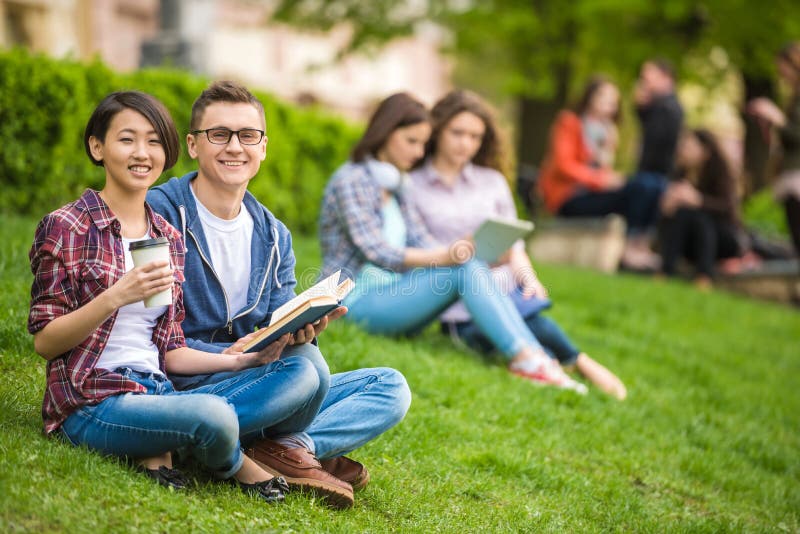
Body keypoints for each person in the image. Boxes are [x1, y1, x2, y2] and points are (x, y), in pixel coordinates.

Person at [147, 81, 411, 509]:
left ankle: (287, 448)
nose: (235, 146)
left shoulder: (273, 234)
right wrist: (235, 358)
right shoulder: (161, 212)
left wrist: (299, 330)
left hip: (252, 376)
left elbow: (273, 323)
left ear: (263, 147)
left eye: (248, 135)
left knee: (389, 386)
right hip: (186, 381)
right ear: (194, 145)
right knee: (306, 372)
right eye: (220, 134)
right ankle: (261, 445)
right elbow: (154, 335)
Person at [28, 91, 291, 504]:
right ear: (97, 147)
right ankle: (233, 464)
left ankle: (161, 448)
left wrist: (241, 360)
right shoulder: (67, 227)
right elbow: (45, 342)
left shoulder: (165, 237)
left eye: (153, 142)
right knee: (214, 414)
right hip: (92, 400)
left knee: (288, 373)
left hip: (156, 390)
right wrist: (115, 296)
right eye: (126, 139)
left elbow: (169, 351)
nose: (142, 153)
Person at [319, 92, 586, 393]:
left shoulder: (397, 184)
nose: (420, 152)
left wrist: (464, 251)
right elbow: (377, 251)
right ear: (385, 133)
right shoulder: (351, 180)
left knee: (467, 264)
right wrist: (449, 255)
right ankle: (529, 359)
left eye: (423, 143)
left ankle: (533, 357)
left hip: (396, 295)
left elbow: (423, 240)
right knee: (461, 265)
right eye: (412, 141)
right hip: (351, 303)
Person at [408, 89, 626, 399]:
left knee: (531, 316)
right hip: (452, 297)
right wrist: (458, 254)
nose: (465, 144)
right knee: (519, 325)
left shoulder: (491, 182)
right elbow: (413, 250)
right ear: (438, 130)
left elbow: (514, 243)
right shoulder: (413, 185)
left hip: (503, 286)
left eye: (475, 136)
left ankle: (564, 363)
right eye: (457, 133)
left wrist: (529, 279)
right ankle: (572, 362)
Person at [538, 76, 662, 270]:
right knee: (640, 187)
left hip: (591, 193)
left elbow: (602, 168)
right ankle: (630, 249)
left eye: (613, 101)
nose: (610, 105)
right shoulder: (569, 122)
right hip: (568, 196)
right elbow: (563, 165)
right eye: (604, 98)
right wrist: (602, 180)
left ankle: (640, 244)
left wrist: (608, 149)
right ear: (590, 96)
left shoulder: (606, 131)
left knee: (655, 183)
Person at [658, 129, 749, 288]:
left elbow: (729, 208)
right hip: (691, 244)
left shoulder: (721, 172)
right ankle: (667, 270)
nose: (683, 150)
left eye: (689, 146)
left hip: (724, 239)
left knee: (700, 217)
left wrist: (698, 200)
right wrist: (668, 206)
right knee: (684, 213)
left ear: (705, 151)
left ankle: (703, 276)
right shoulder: (680, 173)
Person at [748, 42, 800, 261]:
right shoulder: (793, 97)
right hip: (789, 173)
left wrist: (777, 118)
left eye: (784, 69)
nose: (782, 75)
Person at [634, 58, 685, 183]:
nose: (644, 82)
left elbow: (657, 145)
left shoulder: (668, 108)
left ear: (665, 77)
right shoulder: (661, 106)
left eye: (648, 76)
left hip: (656, 176)